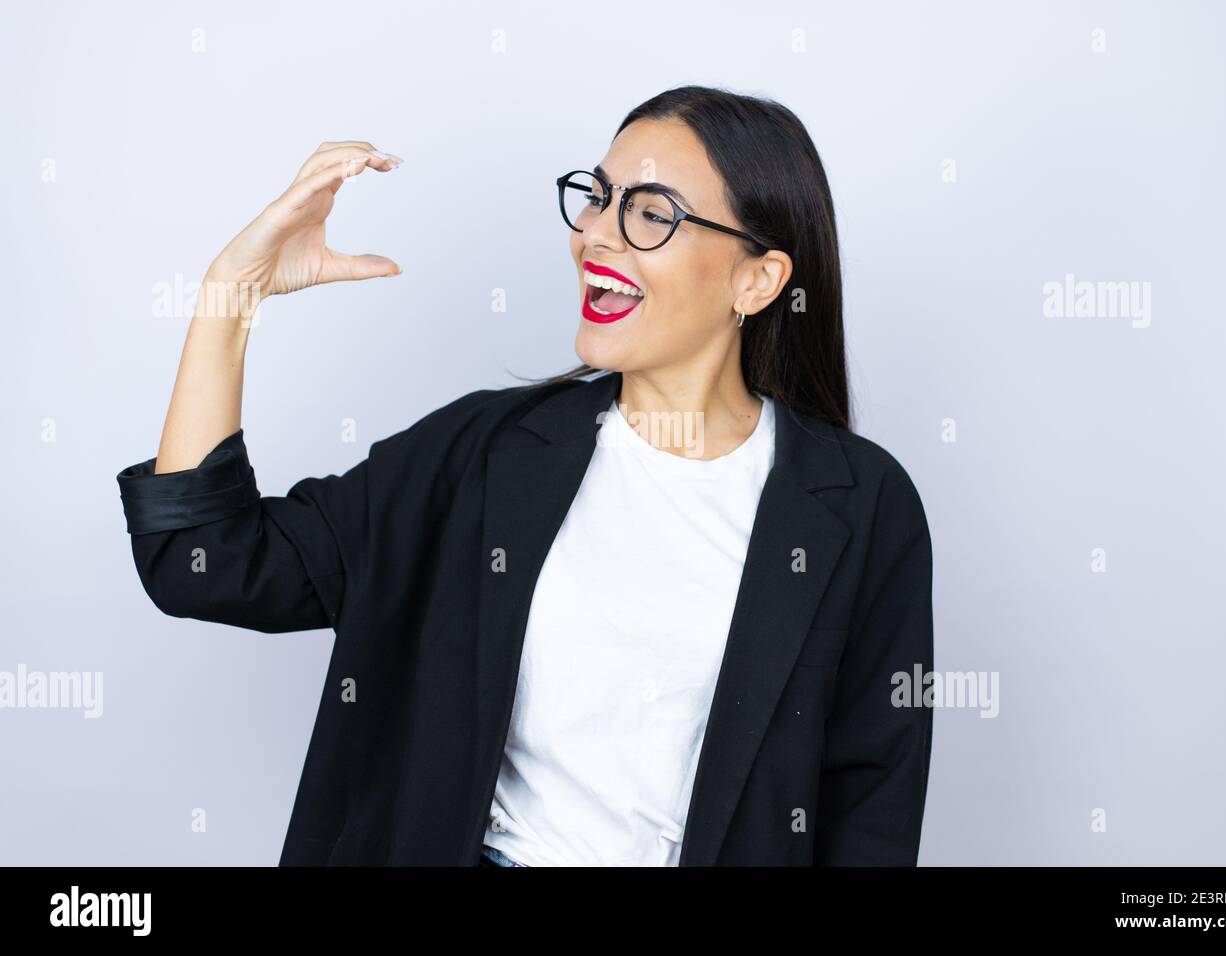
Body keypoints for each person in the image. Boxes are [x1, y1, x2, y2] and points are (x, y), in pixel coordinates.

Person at [116, 85, 934, 866]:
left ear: (757, 280)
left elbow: (869, 815)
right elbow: (204, 561)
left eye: (651, 214)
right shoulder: (485, 454)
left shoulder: (858, 508)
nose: (596, 235)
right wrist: (231, 293)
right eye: (598, 197)